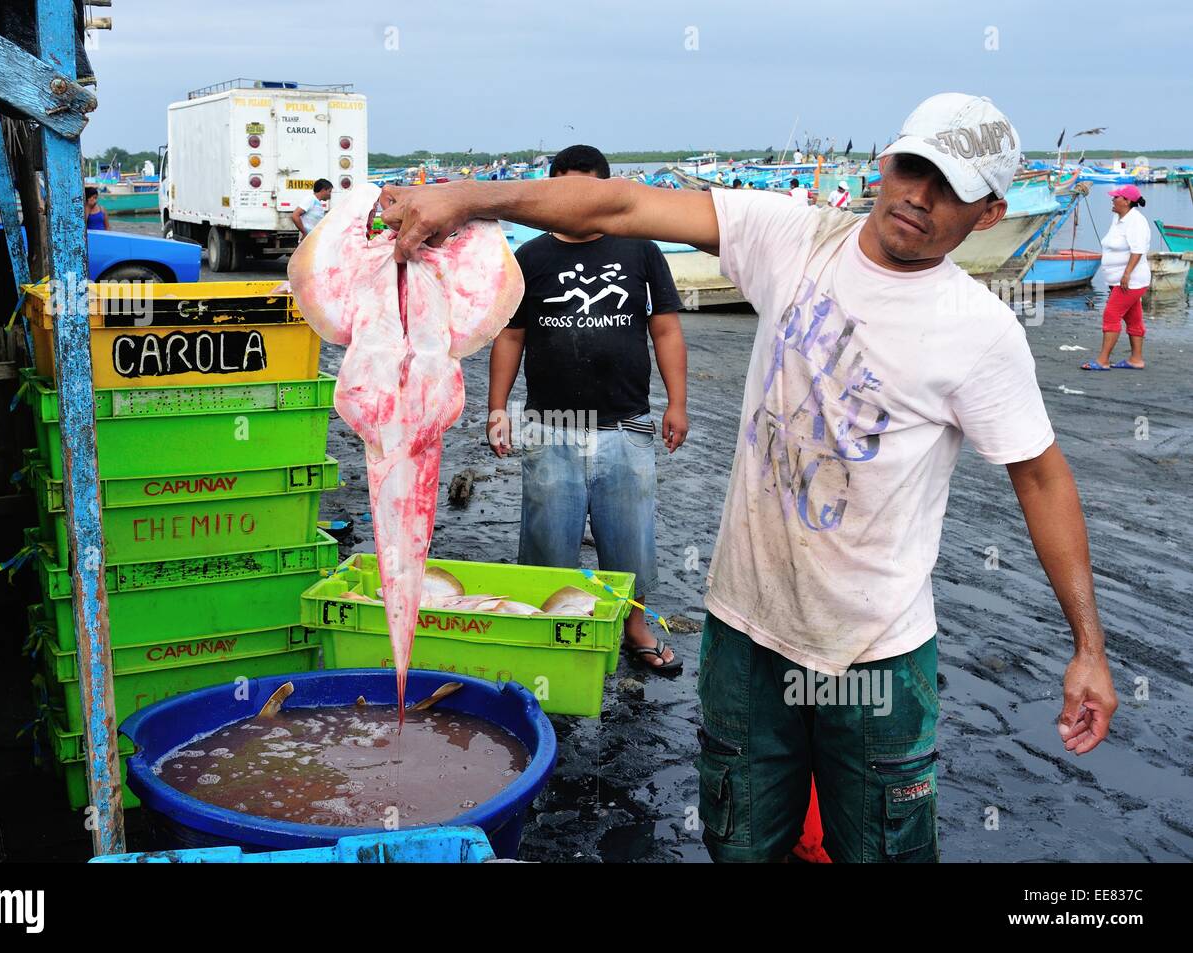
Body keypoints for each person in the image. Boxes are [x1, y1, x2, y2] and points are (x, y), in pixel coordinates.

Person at [379, 91, 1117, 863]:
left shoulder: (982, 331)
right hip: (744, 633)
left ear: (989, 212)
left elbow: (1041, 477)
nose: (919, 197)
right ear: (883, 163)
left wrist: (1087, 646)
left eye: (951, 189)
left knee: (881, 850)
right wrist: (466, 197)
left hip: (875, 653)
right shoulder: (792, 237)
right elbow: (618, 200)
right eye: (912, 168)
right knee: (740, 841)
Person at [485, 144, 689, 675]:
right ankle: (549, 630)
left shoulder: (641, 250)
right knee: (548, 541)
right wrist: (497, 408)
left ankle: (636, 627)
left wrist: (678, 403)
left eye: (587, 191)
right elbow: (511, 336)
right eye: (562, 190)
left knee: (631, 538)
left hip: (628, 423)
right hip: (550, 427)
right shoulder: (528, 258)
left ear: (607, 191)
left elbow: (664, 328)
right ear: (547, 191)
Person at [1082, 184, 1150, 371]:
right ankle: (1136, 359)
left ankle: (1103, 360)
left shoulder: (1136, 221)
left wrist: (1126, 274)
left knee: (1111, 314)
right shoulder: (1118, 218)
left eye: (1116, 197)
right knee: (1133, 318)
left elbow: (1138, 251)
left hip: (1131, 281)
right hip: (1117, 280)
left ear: (1127, 201)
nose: (1112, 200)